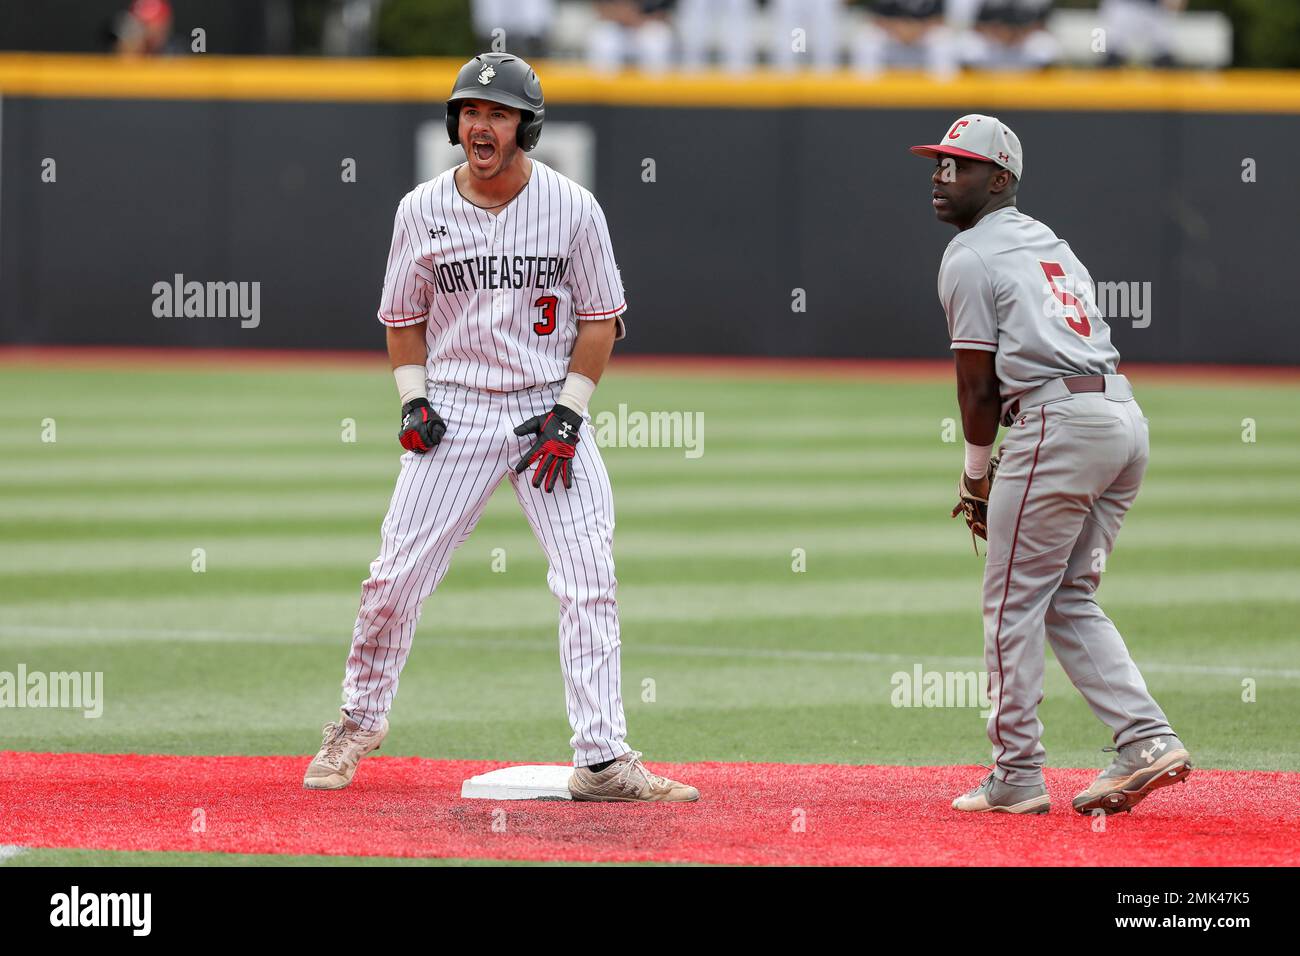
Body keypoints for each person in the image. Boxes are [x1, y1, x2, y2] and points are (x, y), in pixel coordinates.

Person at [304, 53, 698, 804]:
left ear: (526, 126)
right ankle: (357, 721)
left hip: (546, 408)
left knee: (589, 576)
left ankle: (604, 758)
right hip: (456, 408)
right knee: (393, 578)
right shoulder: (419, 208)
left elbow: (600, 319)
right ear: (456, 123)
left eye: (498, 114)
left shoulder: (573, 207)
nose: (481, 126)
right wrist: (412, 399)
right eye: (471, 112)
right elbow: (402, 319)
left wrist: (570, 413)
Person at [911, 114, 1191, 814]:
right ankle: (1146, 739)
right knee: (1067, 594)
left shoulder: (970, 254)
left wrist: (977, 473)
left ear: (1000, 179)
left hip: (1059, 424)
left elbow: (977, 387)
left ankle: (1016, 775)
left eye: (960, 165)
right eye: (938, 163)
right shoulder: (1052, 245)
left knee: (1010, 600)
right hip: (1121, 419)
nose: (941, 176)